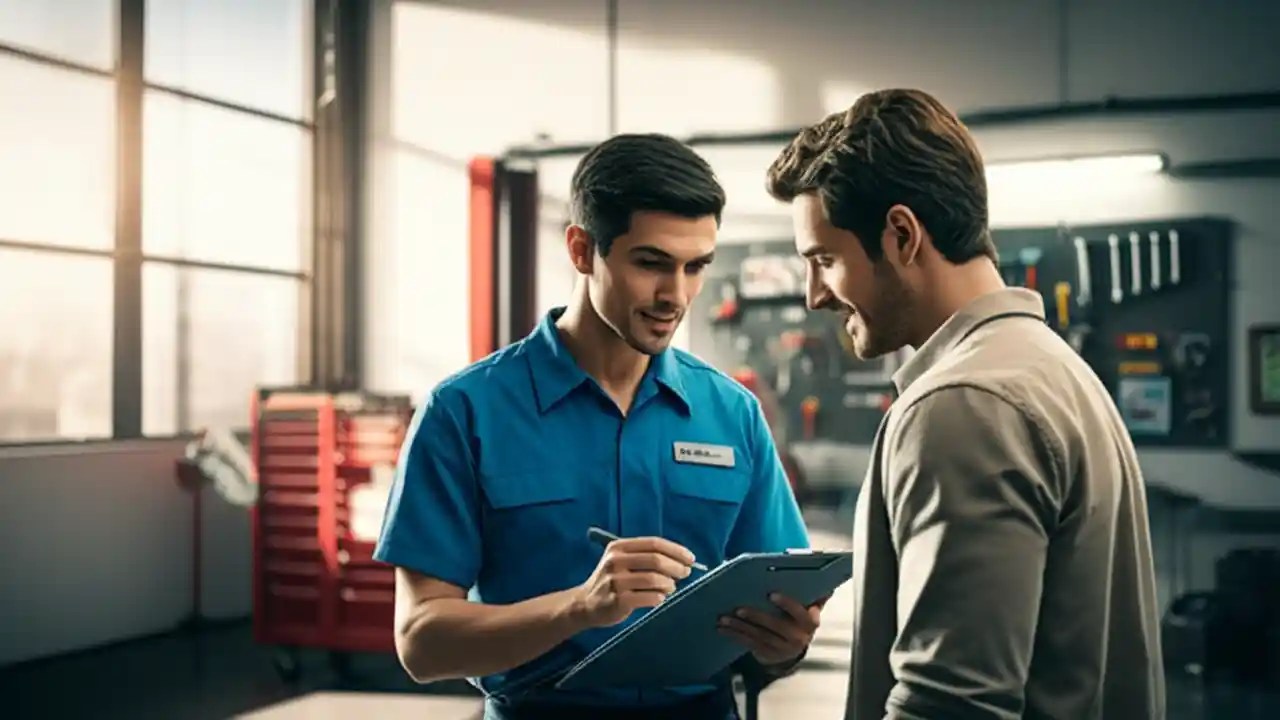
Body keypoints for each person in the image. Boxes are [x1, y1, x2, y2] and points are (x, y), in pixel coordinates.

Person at [376, 133, 820, 720]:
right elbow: (421, 642)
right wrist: (580, 607)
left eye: (695, 267)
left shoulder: (732, 414)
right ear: (583, 250)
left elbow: (771, 609)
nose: (676, 295)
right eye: (651, 263)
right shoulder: (465, 412)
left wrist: (785, 647)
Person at [765, 89, 1166, 719]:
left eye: (825, 260)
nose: (815, 296)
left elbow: (950, 705)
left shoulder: (962, 407)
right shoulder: (1052, 369)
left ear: (901, 235)